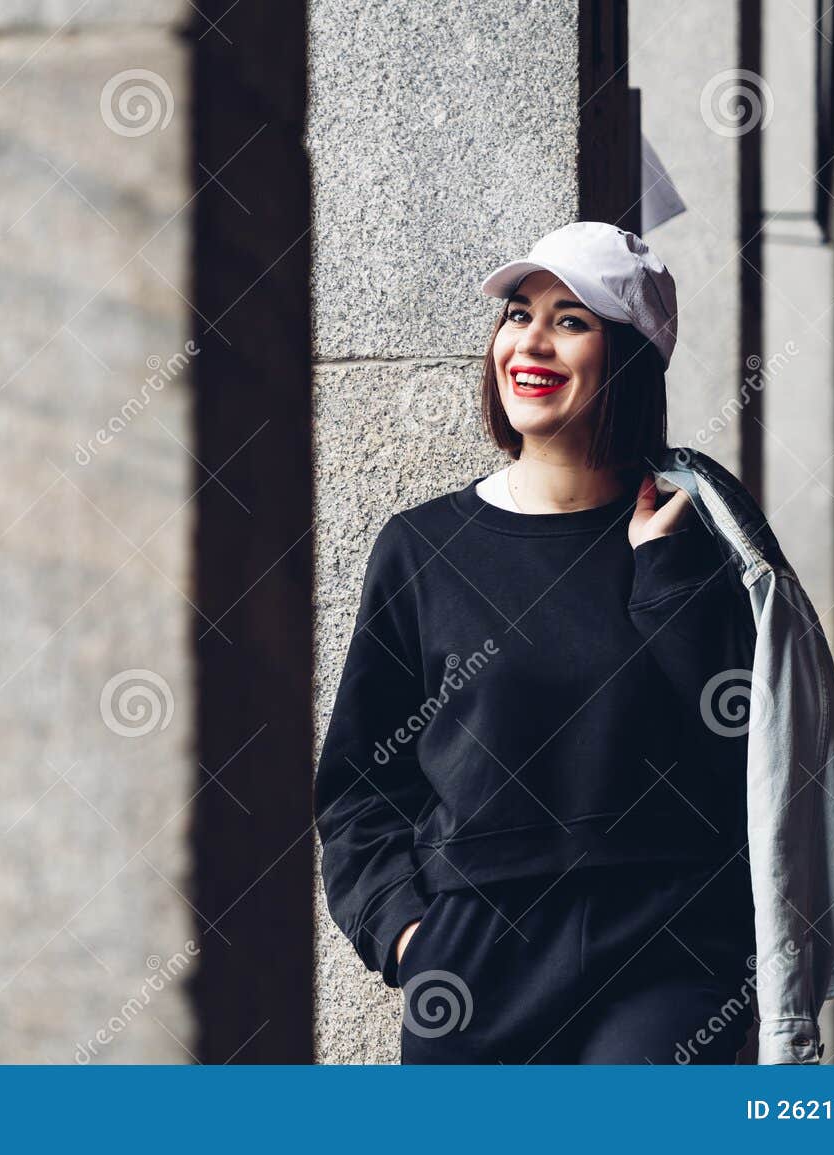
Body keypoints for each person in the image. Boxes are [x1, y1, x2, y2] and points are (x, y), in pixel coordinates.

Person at [315, 221, 760, 1064]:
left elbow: (751, 751)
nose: (532, 341)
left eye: (571, 320)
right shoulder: (424, 548)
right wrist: (408, 933)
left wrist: (667, 581)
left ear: (627, 356)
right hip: (475, 960)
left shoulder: (698, 541)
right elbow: (359, 786)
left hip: (663, 951)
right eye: (519, 314)